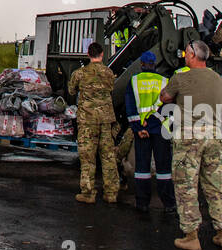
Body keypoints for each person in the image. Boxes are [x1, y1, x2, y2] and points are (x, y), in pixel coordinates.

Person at [160, 39, 222, 250]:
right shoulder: (217, 79)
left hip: (189, 137)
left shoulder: (181, 78)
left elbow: (165, 97)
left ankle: (191, 236)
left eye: (186, 53)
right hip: (214, 136)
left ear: (192, 55)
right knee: (214, 186)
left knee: (186, 186)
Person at [124, 51, 176, 213]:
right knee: (163, 169)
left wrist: (139, 128)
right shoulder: (164, 81)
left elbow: (130, 107)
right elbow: (169, 108)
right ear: (155, 64)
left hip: (143, 130)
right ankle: (168, 203)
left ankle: (142, 203)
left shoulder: (134, 81)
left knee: (142, 168)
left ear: (142, 65)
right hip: (161, 130)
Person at [69, 42, 120, 204]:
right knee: (108, 157)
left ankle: (88, 192)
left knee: (87, 158)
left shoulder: (80, 73)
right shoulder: (109, 73)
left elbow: (71, 91)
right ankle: (111, 193)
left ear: (88, 54)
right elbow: (111, 88)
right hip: (105, 120)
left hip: (87, 121)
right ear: (102, 54)